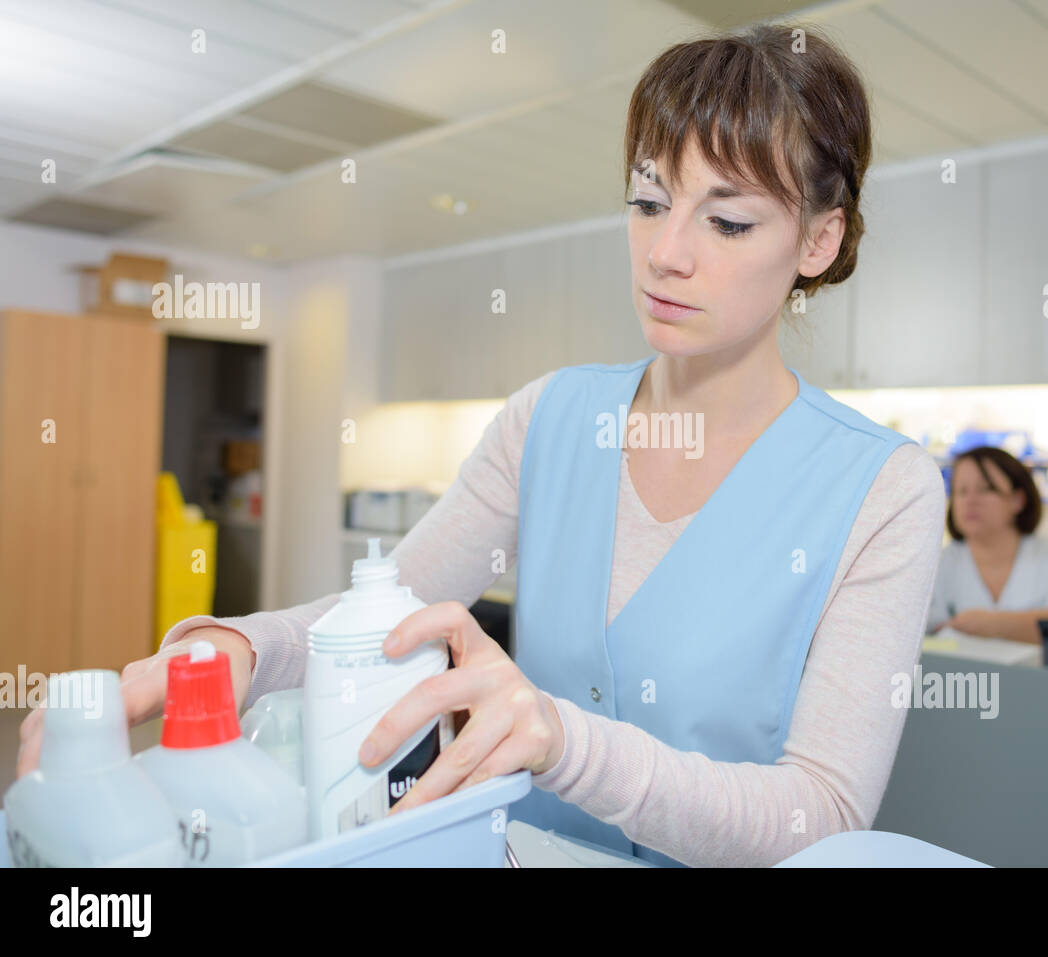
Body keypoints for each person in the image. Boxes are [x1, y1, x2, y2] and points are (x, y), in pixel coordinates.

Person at [18, 24, 946, 867]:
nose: (667, 252)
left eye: (727, 219)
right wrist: (235, 649)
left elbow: (822, 815)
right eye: (648, 201)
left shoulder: (884, 489)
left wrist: (562, 739)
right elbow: (384, 620)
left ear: (819, 240)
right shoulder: (548, 420)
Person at [927, 446, 1048, 644]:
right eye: (961, 491)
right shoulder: (936, 563)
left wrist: (981, 623)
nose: (970, 501)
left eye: (986, 489)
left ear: (1018, 500)